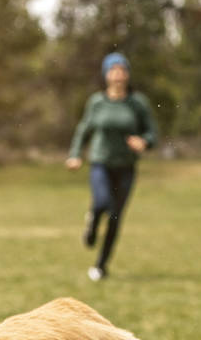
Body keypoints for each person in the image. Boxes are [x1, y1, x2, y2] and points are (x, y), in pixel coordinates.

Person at [65, 52, 157, 281]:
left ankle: (101, 266)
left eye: (122, 70)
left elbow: (152, 132)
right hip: (101, 163)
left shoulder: (137, 103)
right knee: (103, 203)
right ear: (106, 74)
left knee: (116, 217)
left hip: (126, 167)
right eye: (113, 70)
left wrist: (144, 141)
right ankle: (93, 223)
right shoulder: (97, 102)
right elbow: (83, 131)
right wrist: (76, 155)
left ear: (127, 74)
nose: (118, 74)